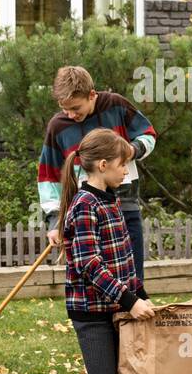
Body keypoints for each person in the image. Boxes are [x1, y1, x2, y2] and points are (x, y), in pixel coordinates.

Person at [57, 128, 155, 374]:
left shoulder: (109, 200)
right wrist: (128, 300)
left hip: (112, 308)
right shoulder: (84, 205)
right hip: (92, 314)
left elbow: (122, 258)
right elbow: (89, 264)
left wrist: (140, 293)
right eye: (122, 163)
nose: (127, 168)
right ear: (103, 165)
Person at [39, 65, 157, 280]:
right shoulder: (58, 126)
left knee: (133, 278)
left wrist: (131, 151)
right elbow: (49, 179)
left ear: (92, 95)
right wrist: (55, 223)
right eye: (65, 108)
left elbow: (148, 135)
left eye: (76, 108)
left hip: (125, 207)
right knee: (96, 278)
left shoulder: (116, 105)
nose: (71, 114)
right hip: (87, 216)